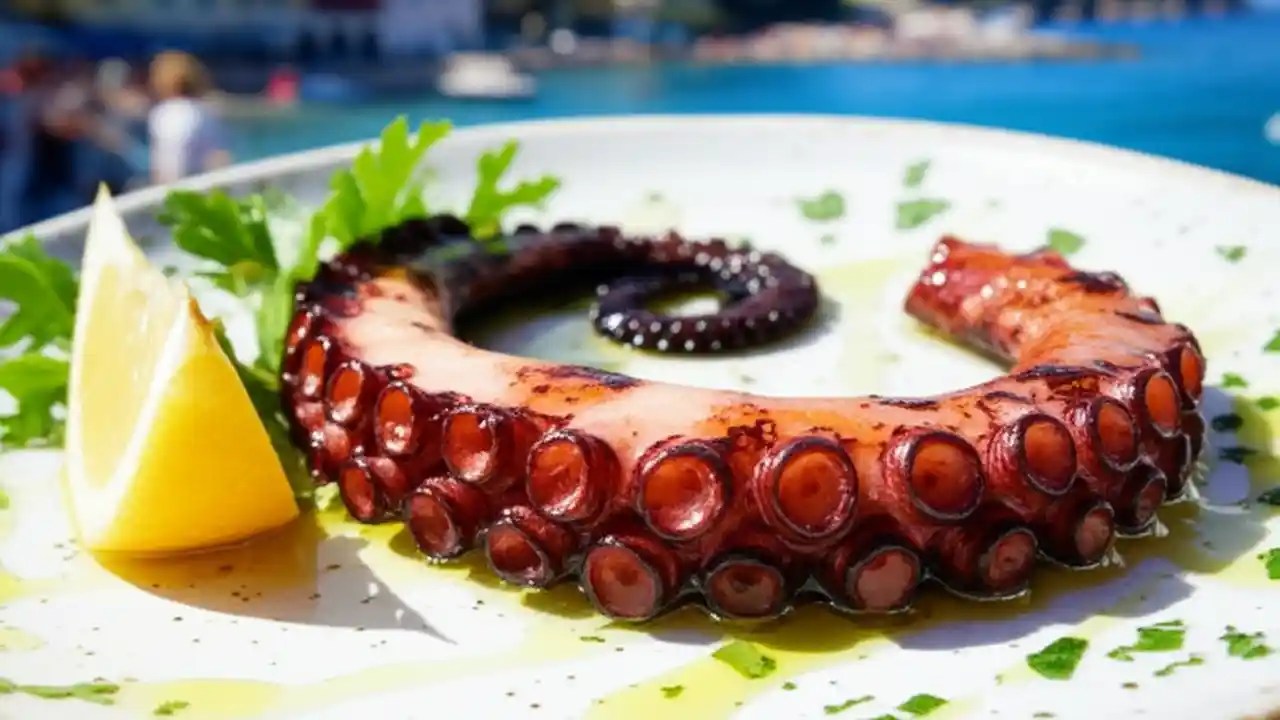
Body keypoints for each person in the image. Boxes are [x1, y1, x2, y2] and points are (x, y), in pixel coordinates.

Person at [147, 51, 231, 185]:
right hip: (199, 184)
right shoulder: (204, 114)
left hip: (172, 185)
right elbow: (219, 157)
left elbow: (165, 163)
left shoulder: (162, 114)